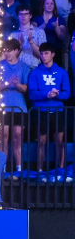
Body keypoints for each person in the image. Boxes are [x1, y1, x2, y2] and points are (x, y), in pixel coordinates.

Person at [29, 43, 72, 182]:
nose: (43, 56)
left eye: (46, 53)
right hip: (41, 111)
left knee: (60, 141)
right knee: (41, 141)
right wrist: (46, 95)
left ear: (53, 54)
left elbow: (67, 93)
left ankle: (60, 170)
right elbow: (31, 93)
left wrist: (57, 94)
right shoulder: (35, 72)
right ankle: (40, 171)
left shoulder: (61, 72)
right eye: (41, 53)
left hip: (58, 111)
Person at [0, 39, 30, 178]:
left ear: (17, 51)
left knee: (17, 137)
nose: (7, 53)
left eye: (9, 50)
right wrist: (7, 83)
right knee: (3, 138)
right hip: (2, 106)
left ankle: (19, 168)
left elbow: (26, 88)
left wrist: (17, 84)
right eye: (5, 50)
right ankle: (3, 168)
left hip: (19, 107)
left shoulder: (24, 67)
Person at [9, 4, 46, 69]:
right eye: (21, 14)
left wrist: (31, 42)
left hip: (35, 68)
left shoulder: (40, 32)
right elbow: (10, 58)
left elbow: (42, 55)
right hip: (18, 69)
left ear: (30, 16)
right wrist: (19, 46)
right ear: (18, 16)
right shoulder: (13, 35)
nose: (23, 16)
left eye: (26, 14)